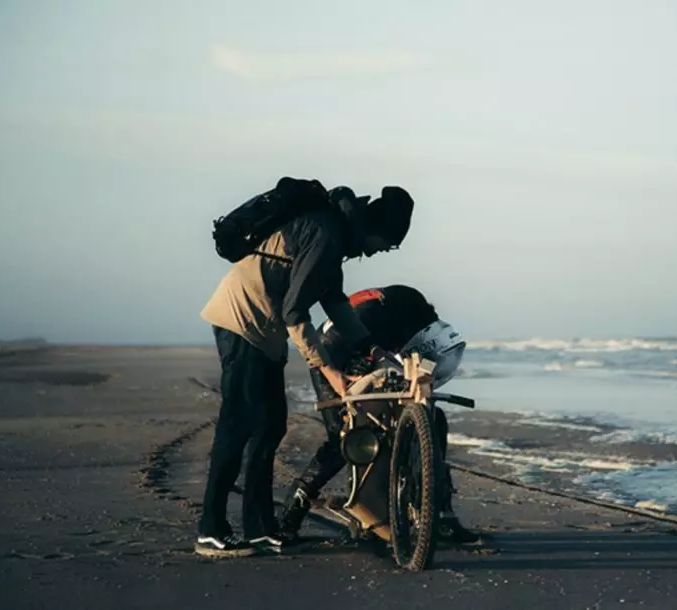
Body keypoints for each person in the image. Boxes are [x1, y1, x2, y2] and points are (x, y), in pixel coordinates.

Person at [194, 181, 415, 558]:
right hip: (243, 322)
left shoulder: (337, 237)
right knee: (238, 426)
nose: (381, 253)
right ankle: (211, 530)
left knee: (270, 426)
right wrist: (329, 370)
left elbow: (334, 301)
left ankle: (260, 527)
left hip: (263, 331)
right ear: (376, 231)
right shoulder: (327, 233)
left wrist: (370, 348)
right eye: (387, 245)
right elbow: (295, 311)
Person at [277, 284, 482, 544]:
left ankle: (439, 513)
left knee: (432, 419)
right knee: (343, 437)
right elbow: (345, 342)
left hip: (364, 350)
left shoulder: (400, 311)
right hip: (332, 357)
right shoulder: (377, 313)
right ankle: (293, 509)